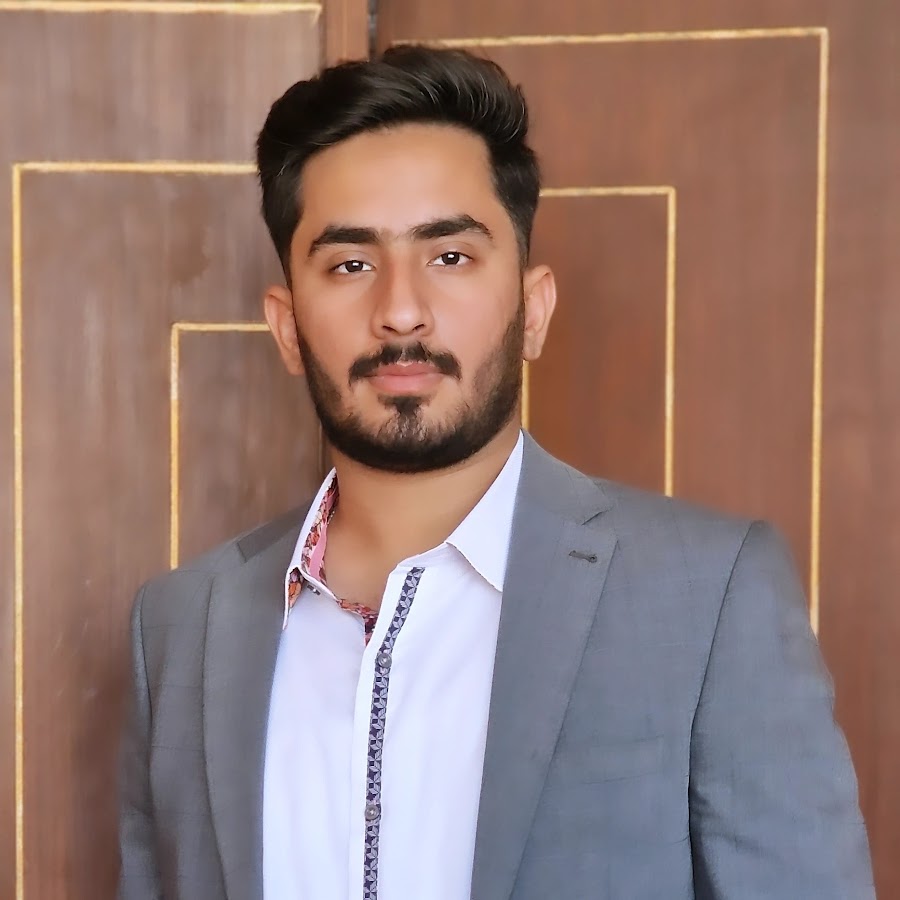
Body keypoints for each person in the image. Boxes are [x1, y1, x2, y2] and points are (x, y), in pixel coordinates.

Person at [117, 46, 874, 900]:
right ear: (287, 327)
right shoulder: (181, 629)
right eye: (351, 264)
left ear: (533, 309)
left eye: (450, 256)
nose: (401, 310)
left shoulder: (706, 598)